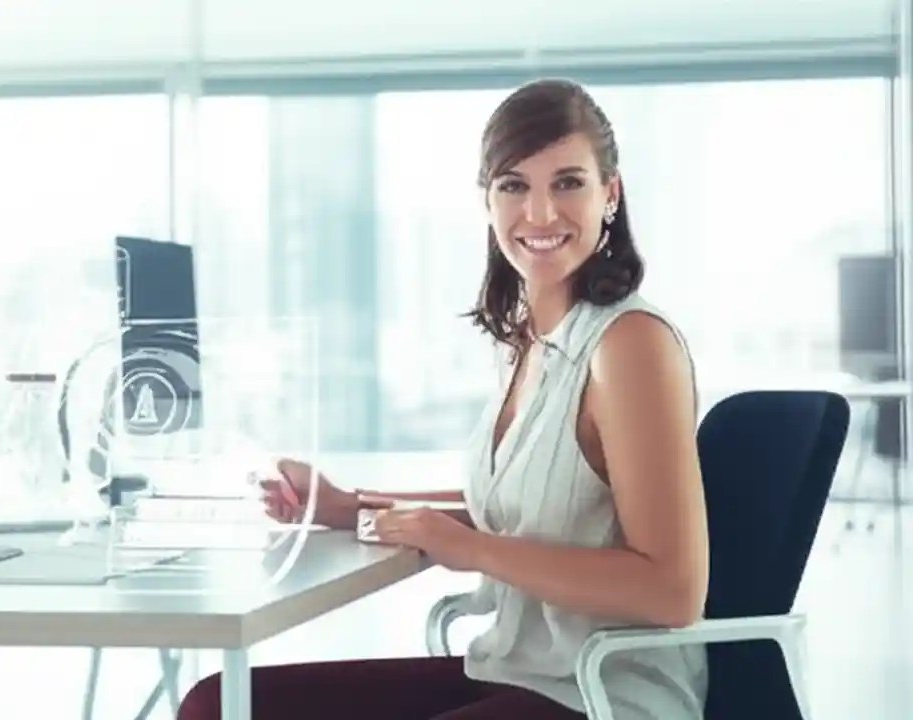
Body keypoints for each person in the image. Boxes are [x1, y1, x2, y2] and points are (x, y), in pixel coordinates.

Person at [177, 78, 709, 720]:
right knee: (218, 706)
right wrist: (346, 506)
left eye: (567, 182)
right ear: (488, 200)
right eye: (514, 185)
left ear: (610, 195)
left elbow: (673, 590)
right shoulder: (535, 345)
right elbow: (523, 516)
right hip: (515, 672)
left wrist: (476, 553)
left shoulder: (628, 345)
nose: (539, 214)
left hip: (603, 696)